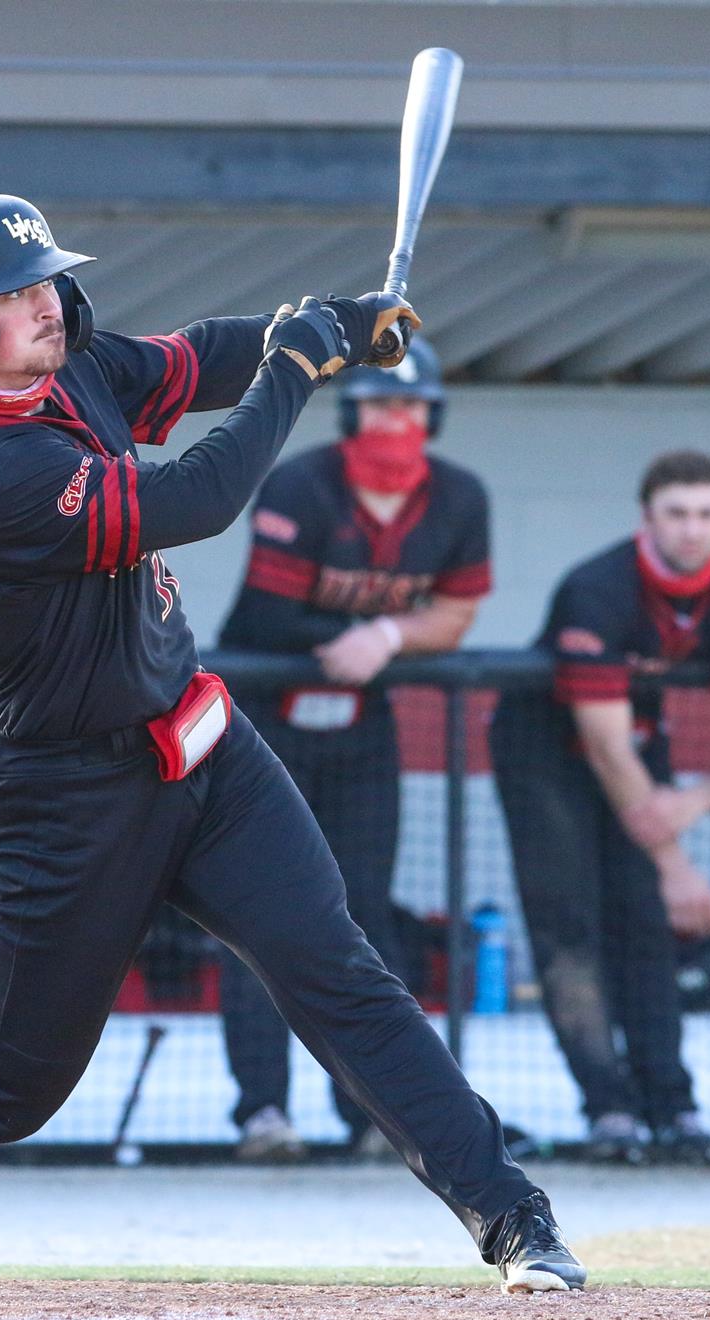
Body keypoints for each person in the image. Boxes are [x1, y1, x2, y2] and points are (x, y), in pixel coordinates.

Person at [0, 194, 584, 1294]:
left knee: (339, 974)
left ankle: (510, 1213)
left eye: (45, 282)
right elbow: (199, 492)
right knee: (2, 1089)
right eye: (14, 295)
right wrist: (297, 371)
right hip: (62, 795)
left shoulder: (68, 364)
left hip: (200, 750)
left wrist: (334, 326)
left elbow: (196, 361)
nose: (47, 305)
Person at [213, 337, 490, 1162]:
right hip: (269, 724)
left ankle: (375, 1113)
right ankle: (263, 1110)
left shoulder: (459, 497)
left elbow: (457, 614)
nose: (395, 421)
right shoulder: (302, 484)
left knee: (363, 913)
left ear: (430, 415)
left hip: (363, 729)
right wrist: (356, 634)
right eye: (379, 406)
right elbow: (267, 618)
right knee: (257, 911)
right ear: (352, 413)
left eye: (409, 407)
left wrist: (387, 632)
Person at [491, 450, 710, 1165]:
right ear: (646, 519)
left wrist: (696, 801)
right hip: (547, 748)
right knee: (572, 931)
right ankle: (610, 1109)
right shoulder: (597, 587)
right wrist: (675, 861)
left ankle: (673, 1105)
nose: (692, 529)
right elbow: (603, 744)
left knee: (647, 928)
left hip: (637, 745)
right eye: (677, 513)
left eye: (707, 514)